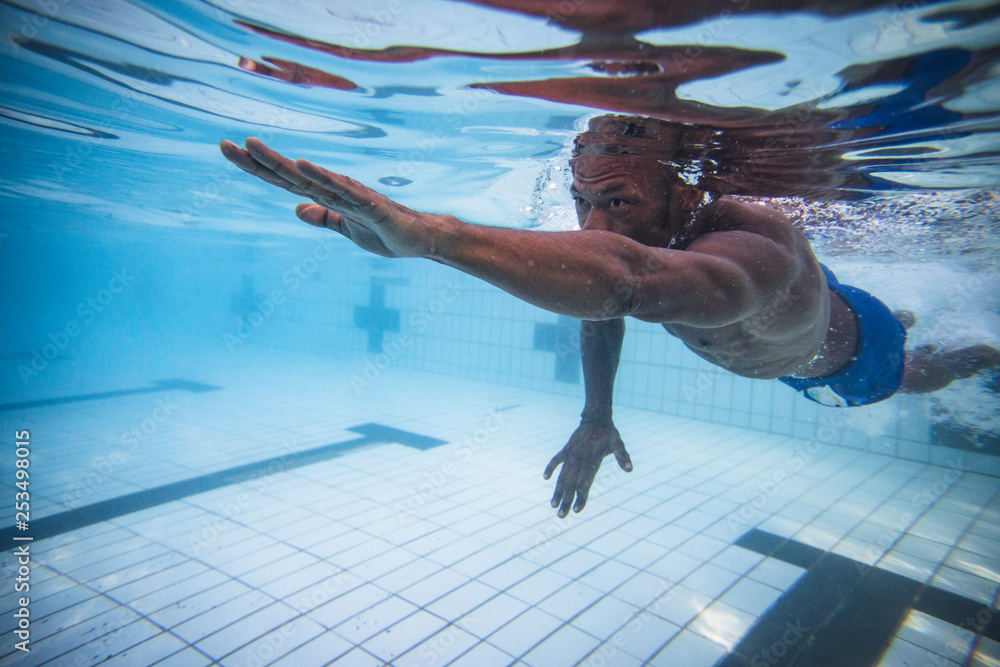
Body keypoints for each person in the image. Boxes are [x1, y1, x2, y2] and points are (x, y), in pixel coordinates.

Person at [219, 115, 999, 518]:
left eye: (617, 202)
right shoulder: (646, 237)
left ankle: (967, 355)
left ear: (684, 192)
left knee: (918, 371)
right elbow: (604, 296)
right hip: (797, 328)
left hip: (847, 358)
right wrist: (597, 413)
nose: (592, 225)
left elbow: (627, 282)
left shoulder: (753, 247)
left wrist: (434, 238)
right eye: (582, 201)